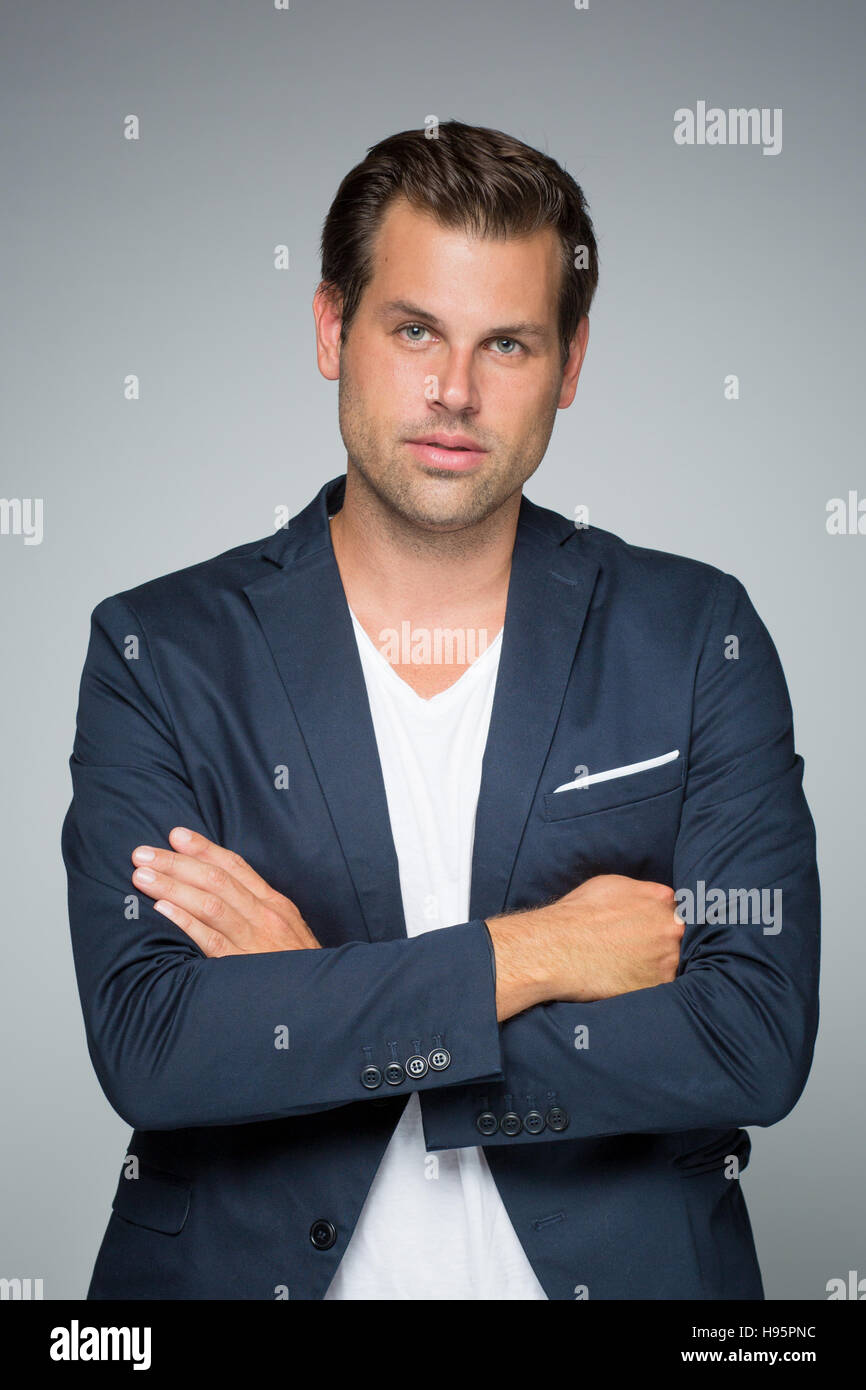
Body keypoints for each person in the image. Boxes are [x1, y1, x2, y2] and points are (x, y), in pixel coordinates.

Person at [62, 120, 820, 1300]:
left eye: (506, 343)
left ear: (569, 364)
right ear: (332, 328)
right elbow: (156, 1045)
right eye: (413, 330)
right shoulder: (159, 650)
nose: (453, 392)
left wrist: (316, 1000)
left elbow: (749, 1038)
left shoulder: (693, 636)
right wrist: (536, 952)